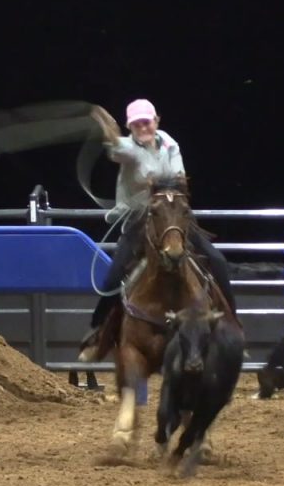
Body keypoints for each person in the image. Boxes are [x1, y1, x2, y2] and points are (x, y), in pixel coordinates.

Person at [78, 99, 237, 361]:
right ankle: (96, 332)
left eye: (146, 121)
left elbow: (178, 179)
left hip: (171, 215)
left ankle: (232, 324)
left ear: (156, 121)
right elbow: (117, 151)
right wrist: (111, 137)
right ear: (130, 127)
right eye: (137, 124)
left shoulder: (170, 144)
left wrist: (163, 191)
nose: (143, 127)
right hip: (138, 219)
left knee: (217, 260)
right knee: (114, 276)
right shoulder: (129, 147)